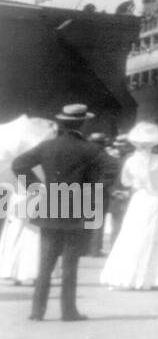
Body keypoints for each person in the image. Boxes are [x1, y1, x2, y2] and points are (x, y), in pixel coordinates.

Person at [12, 103, 108, 322]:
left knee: (45, 264)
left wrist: (37, 187)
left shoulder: (47, 146)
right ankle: (68, 311)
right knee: (70, 264)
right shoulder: (90, 149)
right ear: (82, 123)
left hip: (50, 206)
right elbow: (111, 168)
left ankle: (37, 311)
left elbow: (19, 164)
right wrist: (92, 191)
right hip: (75, 208)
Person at [100, 122, 158, 290]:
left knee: (132, 235)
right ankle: (152, 277)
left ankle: (129, 275)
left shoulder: (131, 161)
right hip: (157, 199)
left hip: (140, 199)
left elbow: (126, 181)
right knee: (156, 237)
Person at [0, 116, 54, 286]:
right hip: (32, 194)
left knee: (14, 232)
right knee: (32, 234)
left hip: (17, 196)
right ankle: (28, 271)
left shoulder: (10, 163)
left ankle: (9, 269)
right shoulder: (35, 162)